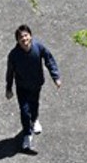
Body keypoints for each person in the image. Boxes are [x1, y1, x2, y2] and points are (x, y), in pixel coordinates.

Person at [5, 25, 60, 154]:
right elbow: (10, 72)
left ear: (30, 36)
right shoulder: (14, 55)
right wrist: (8, 88)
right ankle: (27, 134)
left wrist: (55, 77)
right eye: (20, 37)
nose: (24, 39)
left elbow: (49, 60)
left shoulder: (39, 47)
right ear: (17, 40)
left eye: (26, 35)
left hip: (36, 84)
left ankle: (35, 120)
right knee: (24, 111)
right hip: (22, 87)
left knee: (34, 105)